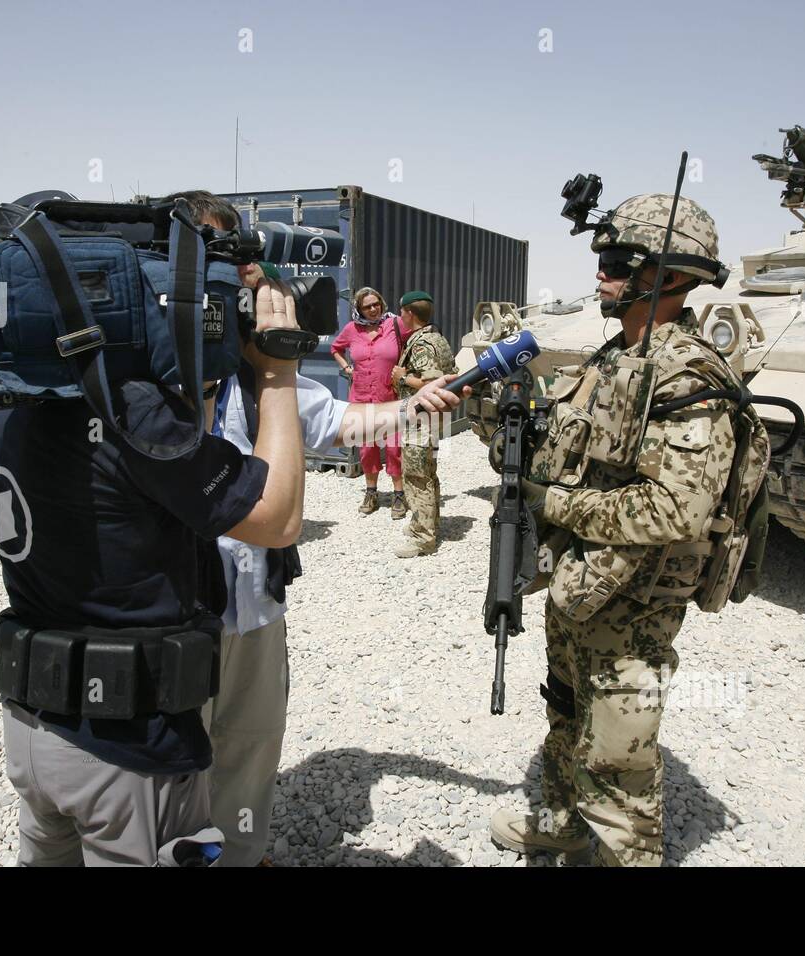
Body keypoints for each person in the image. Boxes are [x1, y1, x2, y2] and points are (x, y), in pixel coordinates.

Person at [0, 200, 308, 866]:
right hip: (129, 752)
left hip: (37, 727)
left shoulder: (7, 406)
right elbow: (277, 518)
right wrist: (277, 369)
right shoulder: (133, 418)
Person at [489, 193, 762, 866]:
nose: (601, 274)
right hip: (582, 583)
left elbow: (677, 510)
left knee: (617, 749)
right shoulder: (617, 357)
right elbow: (573, 447)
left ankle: (623, 853)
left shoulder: (688, 374)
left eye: (617, 262)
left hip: (634, 597)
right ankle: (562, 818)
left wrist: (555, 504)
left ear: (666, 276)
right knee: (565, 707)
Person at [204, 210, 466, 864]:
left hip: (256, 604)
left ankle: (240, 848)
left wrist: (414, 407)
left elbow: (344, 423)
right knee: (179, 750)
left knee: (251, 736)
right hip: (181, 608)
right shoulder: (154, 372)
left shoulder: (266, 371)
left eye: (252, 265)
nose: (253, 284)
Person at [331, 288, 407, 517]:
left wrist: (406, 372)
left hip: (390, 397)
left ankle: (399, 495)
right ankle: (371, 492)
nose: (374, 309)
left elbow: (414, 342)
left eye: (377, 304)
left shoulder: (395, 325)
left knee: (394, 447)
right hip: (361, 398)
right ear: (358, 309)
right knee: (367, 448)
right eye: (367, 306)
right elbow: (336, 348)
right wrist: (346, 368)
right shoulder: (351, 329)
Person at [390, 291, 455, 558]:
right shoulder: (436, 338)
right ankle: (427, 522)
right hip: (430, 419)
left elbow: (431, 383)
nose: (399, 316)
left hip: (420, 419)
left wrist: (402, 378)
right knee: (427, 473)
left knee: (417, 477)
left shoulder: (420, 344)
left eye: (401, 312)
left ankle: (423, 537)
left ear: (409, 313)